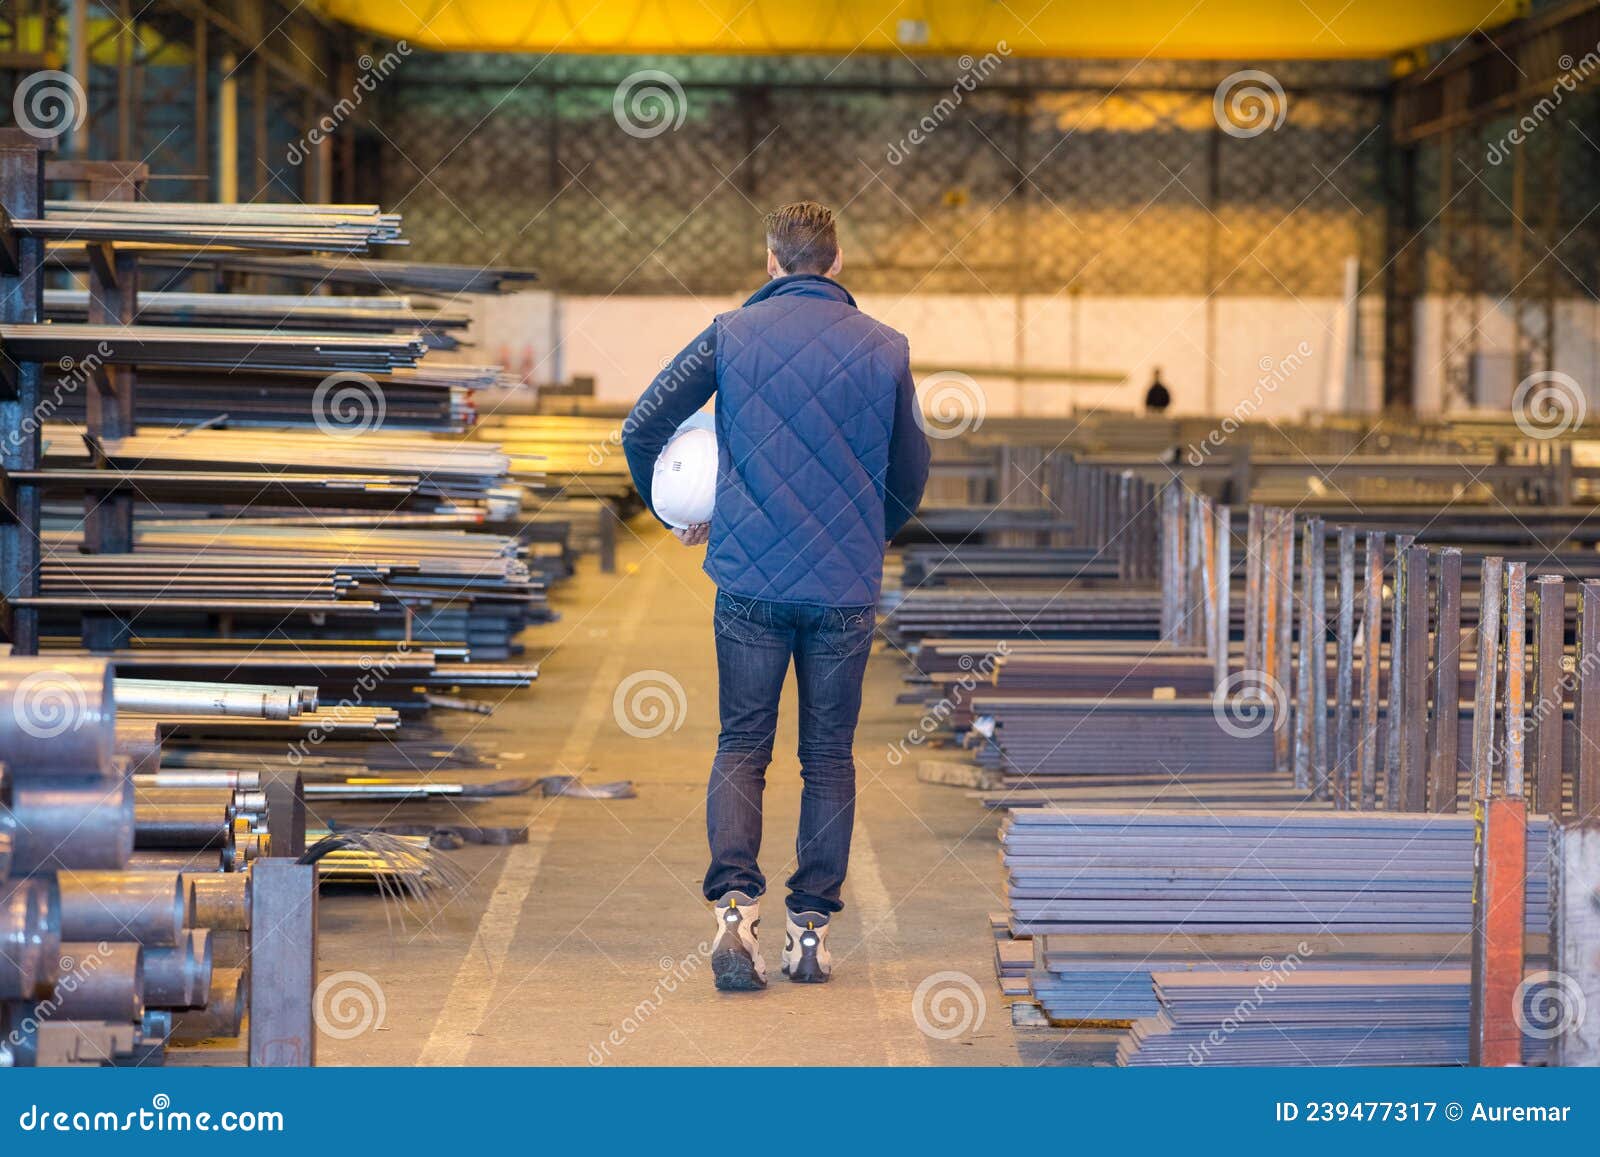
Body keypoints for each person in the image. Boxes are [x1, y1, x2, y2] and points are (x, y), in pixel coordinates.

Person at [622, 201, 930, 991]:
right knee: (828, 755)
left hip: (750, 579)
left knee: (742, 744)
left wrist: (678, 510)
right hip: (844, 590)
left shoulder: (730, 334)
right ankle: (810, 933)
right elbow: (911, 470)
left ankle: (733, 909)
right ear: (836, 261)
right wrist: (871, 530)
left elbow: (642, 423)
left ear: (770, 261)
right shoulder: (886, 347)